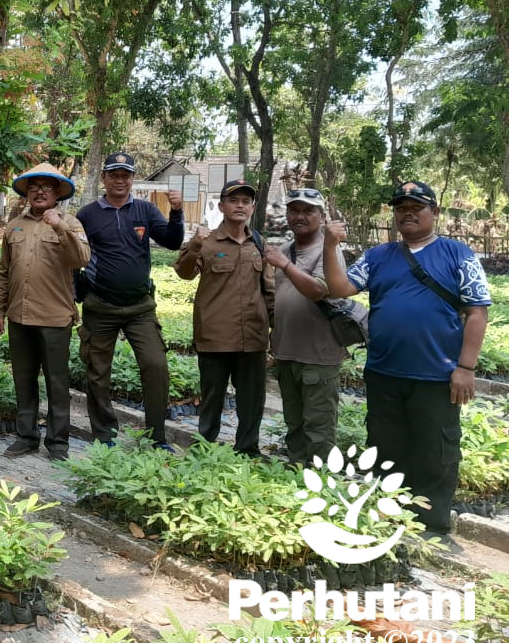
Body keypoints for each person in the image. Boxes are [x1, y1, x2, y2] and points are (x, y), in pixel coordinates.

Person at [322, 180, 490, 534]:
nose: (408, 213)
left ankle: (430, 525)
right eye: (401, 208)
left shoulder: (458, 254)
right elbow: (339, 289)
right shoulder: (378, 256)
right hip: (385, 372)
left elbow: (477, 313)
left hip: (438, 374)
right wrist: (329, 244)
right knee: (385, 445)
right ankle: (388, 516)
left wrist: (466, 367)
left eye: (417, 207)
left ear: (435, 212)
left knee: (436, 450)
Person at [75, 151, 183, 450]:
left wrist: (176, 212)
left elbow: (172, 241)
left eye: (125, 174)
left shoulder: (146, 211)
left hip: (140, 308)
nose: (120, 180)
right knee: (97, 373)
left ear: (133, 178)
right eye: (114, 174)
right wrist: (77, 293)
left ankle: (157, 436)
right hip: (100, 307)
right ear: (104, 178)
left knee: (156, 365)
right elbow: (75, 257)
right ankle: (104, 435)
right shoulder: (87, 215)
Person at [0, 162, 91, 461]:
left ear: (57, 192)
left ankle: (58, 442)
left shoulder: (71, 223)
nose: (39, 192)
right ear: (26, 192)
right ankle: (26, 437)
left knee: (57, 382)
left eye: (46, 187)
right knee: (23, 379)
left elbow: (81, 258)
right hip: (19, 316)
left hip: (55, 317)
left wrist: (59, 227)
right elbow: (5, 271)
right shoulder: (14, 225)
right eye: (33, 187)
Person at [173, 178, 274, 458]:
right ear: (222, 206)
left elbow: (269, 289)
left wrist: (275, 329)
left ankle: (248, 448)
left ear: (253, 208)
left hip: (253, 336)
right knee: (212, 398)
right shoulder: (206, 242)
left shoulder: (260, 244)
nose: (240, 206)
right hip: (215, 336)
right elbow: (183, 272)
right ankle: (205, 447)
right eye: (233, 200)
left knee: (252, 400)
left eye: (245, 201)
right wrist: (194, 245)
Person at [261, 188, 348, 467]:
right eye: (294, 210)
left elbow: (319, 291)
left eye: (308, 211)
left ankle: (321, 484)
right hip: (287, 354)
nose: (300, 216)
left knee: (319, 428)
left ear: (321, 216)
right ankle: (297, 474)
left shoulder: (329, 251)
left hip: (318, 357)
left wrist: (285, 265)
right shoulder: (285, 250)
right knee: (294, 424)